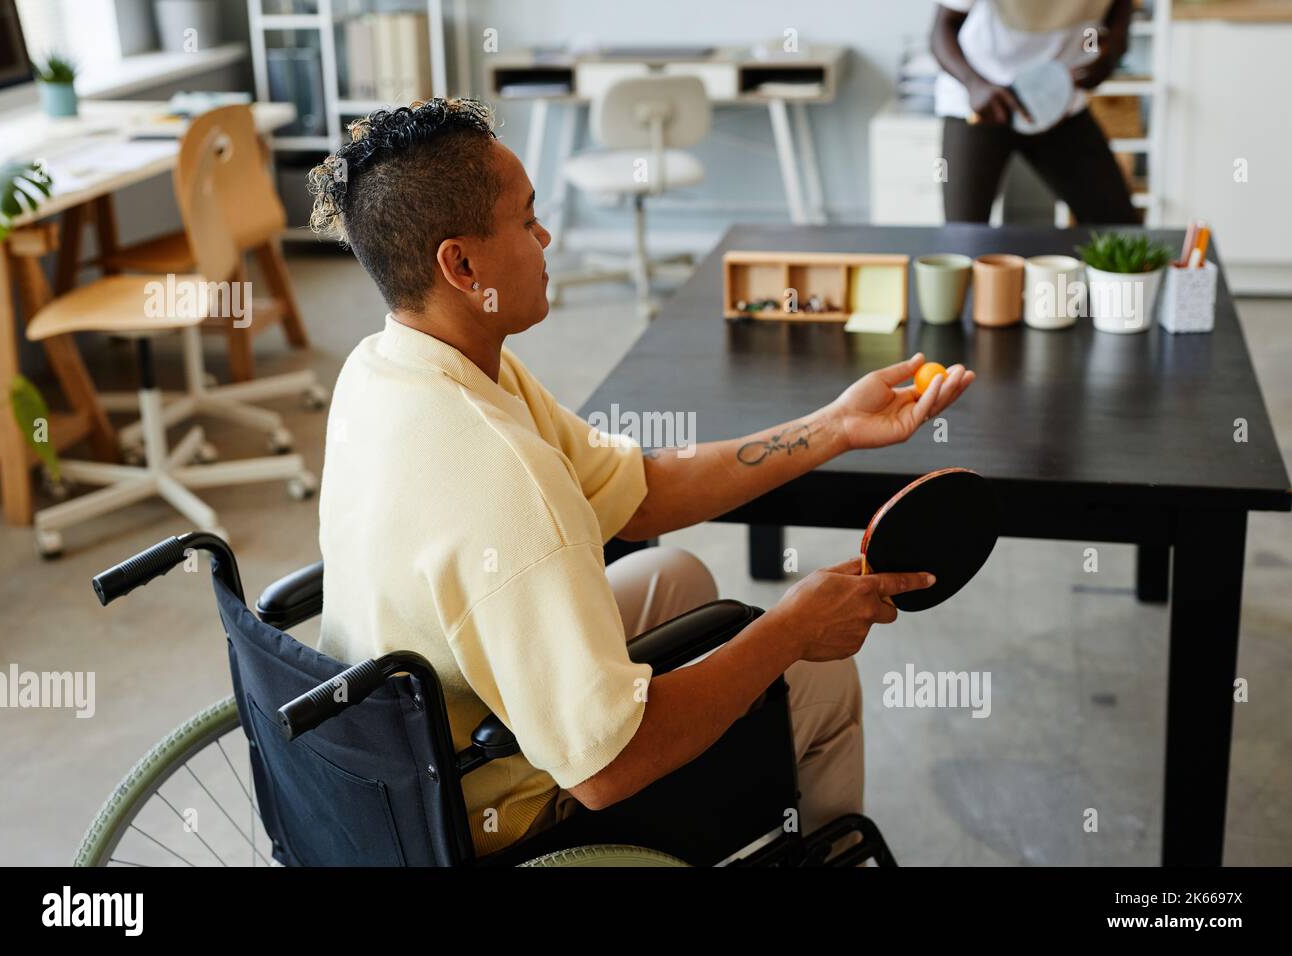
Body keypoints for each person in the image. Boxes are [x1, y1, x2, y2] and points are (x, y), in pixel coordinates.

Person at [307, 98, 974, 858]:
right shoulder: (506, 477)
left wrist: (836, 427)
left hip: (398, 743)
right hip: (491, 815)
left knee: (673, 575)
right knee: (822, 683)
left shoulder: (390, 366)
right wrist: (791, 629)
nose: (546, 237)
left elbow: (643, 491)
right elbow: (607, 768)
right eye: (527, 219)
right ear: (461, 265)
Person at [931, 0, 1139, 224]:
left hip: (1061, 107)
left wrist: (1110, 54)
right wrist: (975, 85)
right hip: (982, 104)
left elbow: (1119, 18)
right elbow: (941, 30)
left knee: (1119, 226)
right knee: (964, 232)